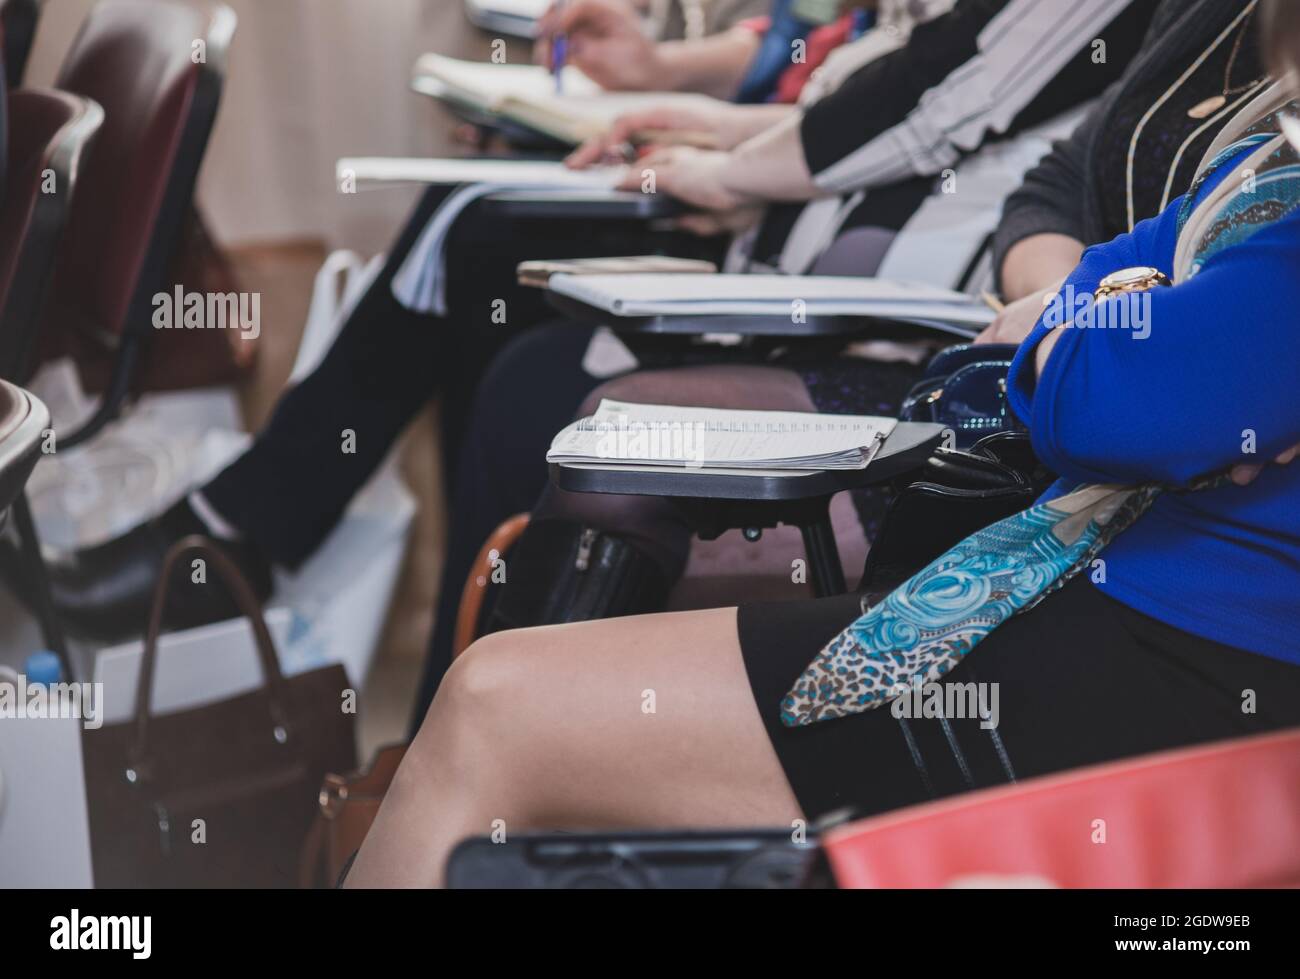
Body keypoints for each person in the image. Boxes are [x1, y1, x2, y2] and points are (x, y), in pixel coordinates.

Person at [344, 0, 1300, 886]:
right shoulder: (1234, 73)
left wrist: (1104, 333)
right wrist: (1122, 322)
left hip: (1187, 664)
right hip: (1099, 557)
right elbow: (1098, 234)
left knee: (493, 702)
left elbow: (1117, 398)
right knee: (540, 458)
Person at [45, 0, 1147, 641]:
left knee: (511, 319)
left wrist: (726, 160)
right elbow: (842, 46)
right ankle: (416, 674)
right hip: (810, 201)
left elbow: (938, 93)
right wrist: (688, 93)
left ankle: (373, 637)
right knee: (486, 264)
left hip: (877, 274)